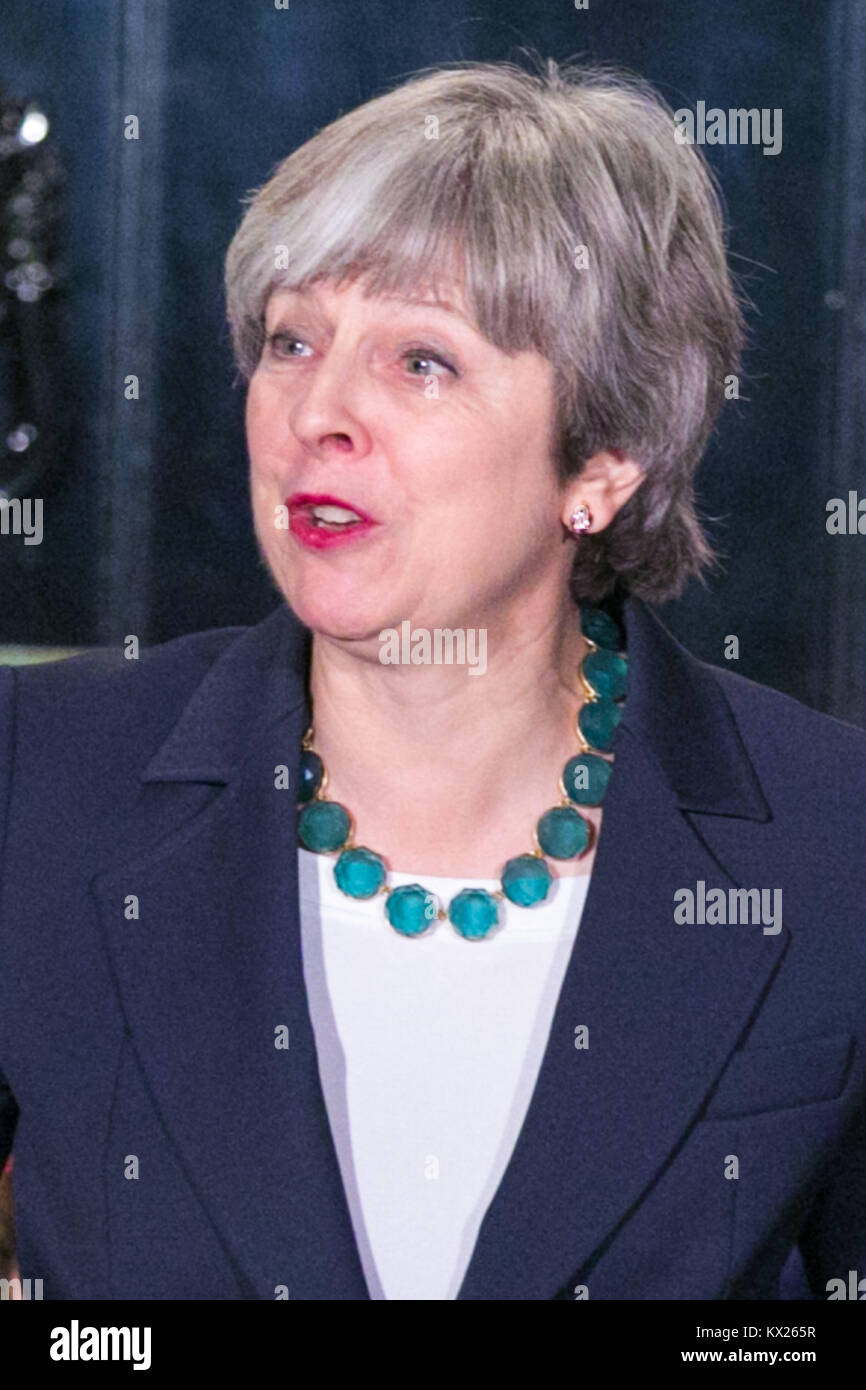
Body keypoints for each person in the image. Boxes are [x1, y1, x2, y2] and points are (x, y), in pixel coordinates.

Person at [1, 58, 865, 1302]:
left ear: (604, 461)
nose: (318, 412)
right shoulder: (42, 769)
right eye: (292, 339)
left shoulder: (827, 835)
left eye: (421, 362)